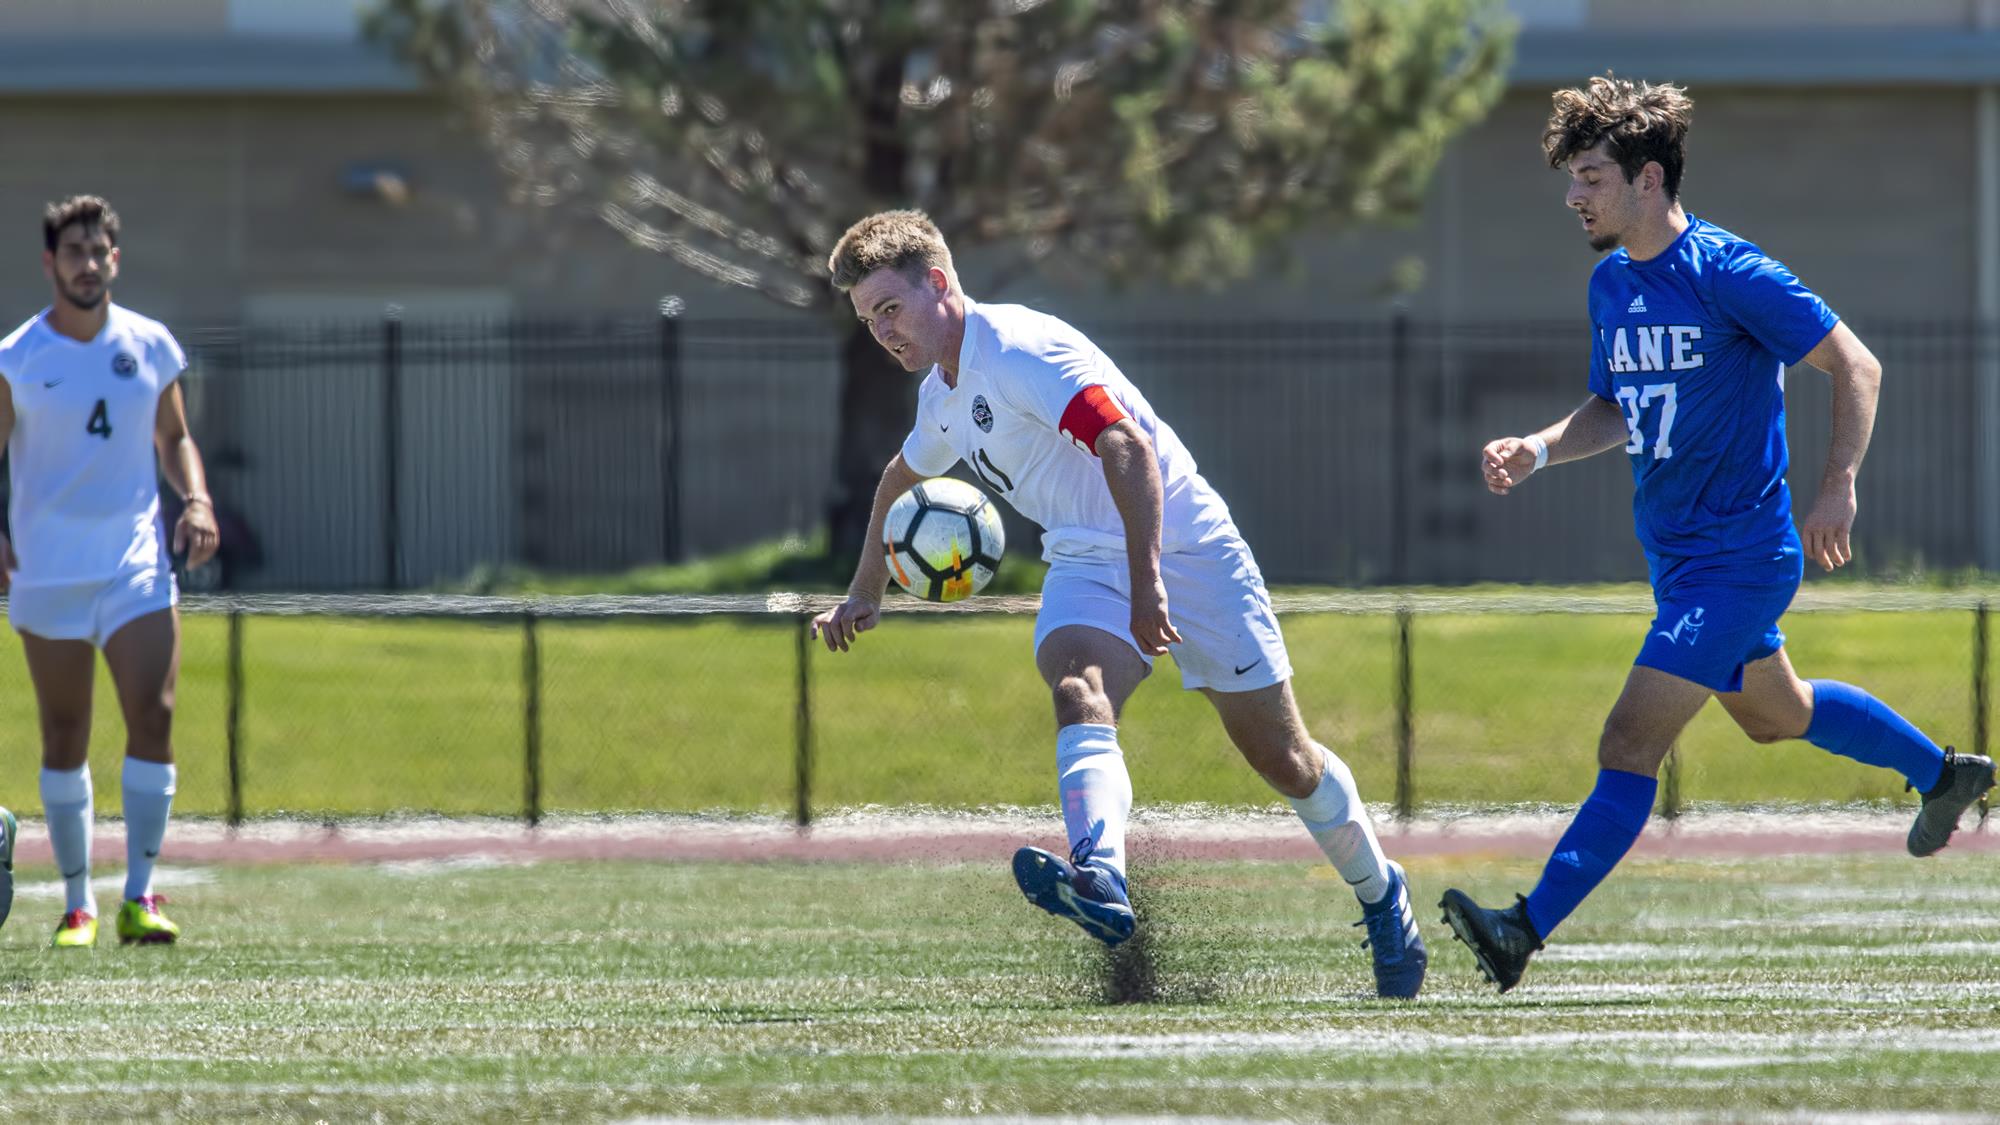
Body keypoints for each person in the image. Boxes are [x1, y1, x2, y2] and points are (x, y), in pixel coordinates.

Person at [1439, 76, 1996, 993]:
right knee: (1782, 717)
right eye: (1572, 177)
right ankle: (1944, 774)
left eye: (1590, 176)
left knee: (1628, 743)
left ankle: (1521, 930)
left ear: (1648, 178)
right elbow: (1616, 404)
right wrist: (1539, 448)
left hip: (1740, 561)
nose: (1573, 195)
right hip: (1680, 561)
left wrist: (1837, 487)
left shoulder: (1730, 271)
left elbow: (1856, 364)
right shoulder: (1612, 282)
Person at [810, 210, 1426, 998]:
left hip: (1185, 546)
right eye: (869, 320)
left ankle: (1381, 891)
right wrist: (866, 589)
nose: (883, 333)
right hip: (1085, 556)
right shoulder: (941, 397)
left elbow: (1125, 443)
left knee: (1284, 759)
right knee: (1078, 689)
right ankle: (1100, 874)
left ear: (938, 283)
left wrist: (1149, 580)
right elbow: (900, 478)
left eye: (891, 309)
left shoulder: (1020, 350)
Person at [0, 195, 219, 948]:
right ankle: (77, 904)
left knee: (153, 713)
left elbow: (174, 436)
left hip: (134, 564)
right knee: (65, 733)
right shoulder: (18, 357)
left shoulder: (150, 344)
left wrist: (195, 499)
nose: (88, 263)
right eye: (74, 252)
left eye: (99, 251)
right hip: (48, 571)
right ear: (49, 263)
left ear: (115, 260)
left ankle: (140, 895)